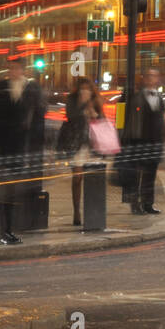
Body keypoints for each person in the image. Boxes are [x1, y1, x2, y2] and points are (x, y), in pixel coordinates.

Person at [0, 58, 46, 244]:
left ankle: (7, 230)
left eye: (17, 68)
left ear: (23, 70)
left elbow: (38, 121)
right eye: (11, 68)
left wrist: (37, 149)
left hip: (18, 150)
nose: (13, 71)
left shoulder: (32, 90)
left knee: (11, 193)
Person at [124, 68, 165, 215]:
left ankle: (148, 204)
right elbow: (130, 119)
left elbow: (163, 119)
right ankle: (135, 204)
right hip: (139, 140)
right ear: (144, 78)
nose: (152, 78)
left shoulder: (160, 97)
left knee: (150, 174)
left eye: (155, 75)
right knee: (137, 175)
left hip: (155, 142)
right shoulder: (136, 97)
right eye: (149, 75)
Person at [59, 78, 102, 226]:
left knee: (92, 179)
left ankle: (93, 212)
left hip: (92, 144)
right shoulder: (72, 100)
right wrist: (83, 103)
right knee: (77, 178)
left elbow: (101, 118)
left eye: (87, 88)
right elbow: (71, 115)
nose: (85, 91)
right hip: (76, 144)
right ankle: (76, 211)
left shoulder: (95, 100)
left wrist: (93, 111)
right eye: (82, 88)